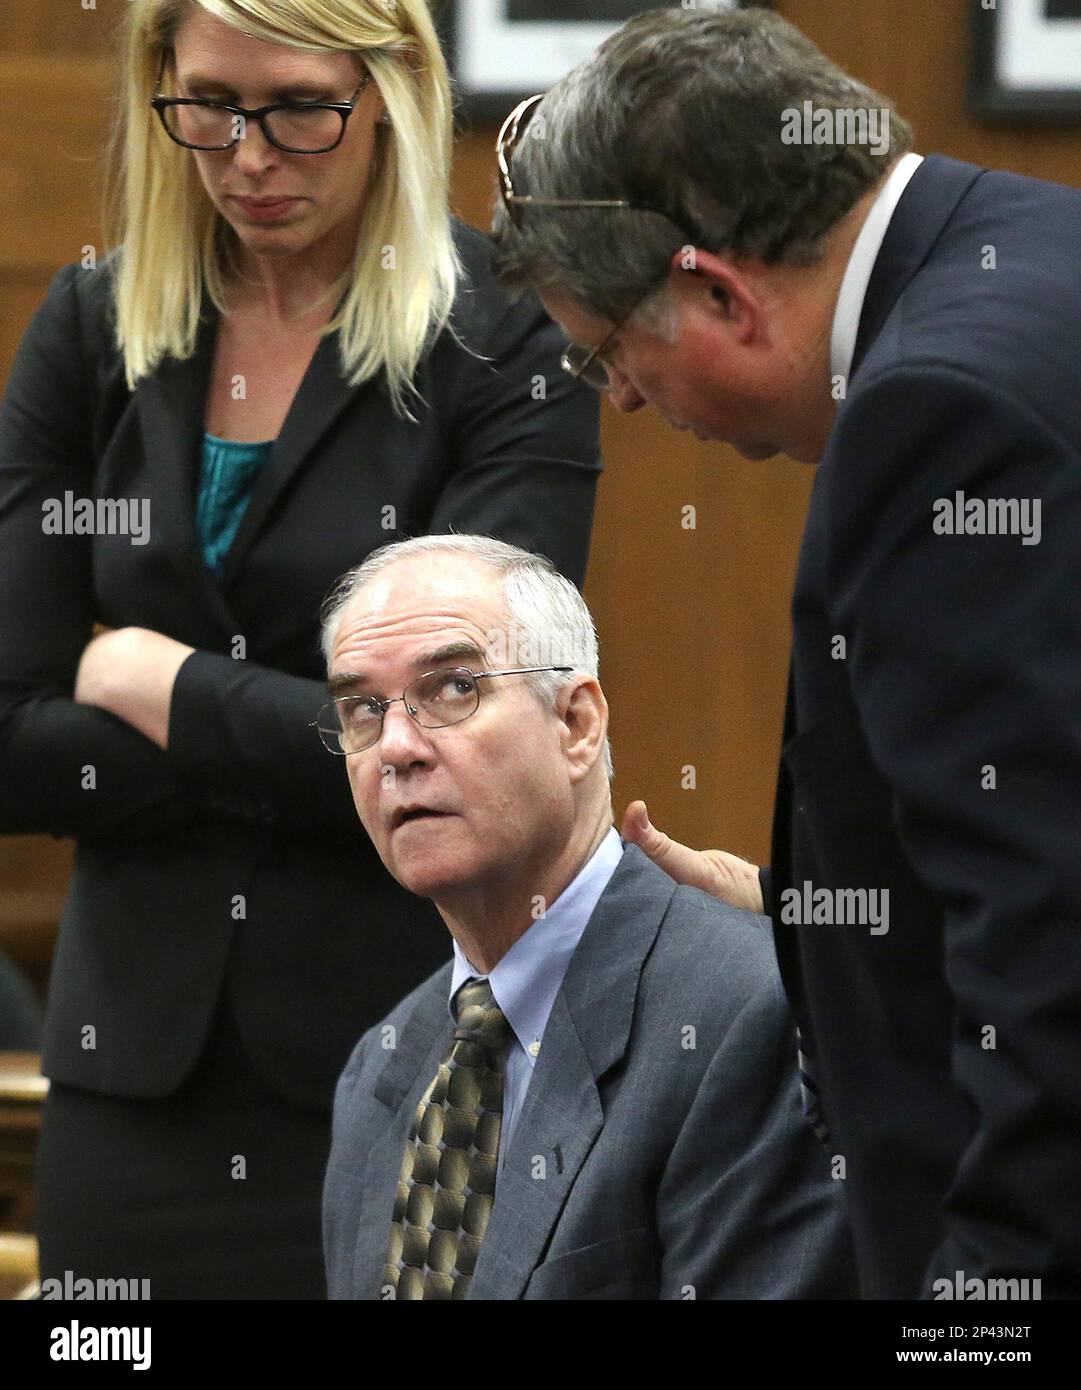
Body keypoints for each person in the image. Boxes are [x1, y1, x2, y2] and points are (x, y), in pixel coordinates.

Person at [0, 0, 599, 1298]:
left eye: (298, 110)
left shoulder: (505, 343)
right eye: (208, 105)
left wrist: (157, 681)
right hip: (128, 1069)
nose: (249, 156)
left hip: (402, 1057)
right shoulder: (96, 326)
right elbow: (10, 745)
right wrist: (320, 742)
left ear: (388, 92)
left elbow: (470, 752)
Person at [488, 6, 1081, 1299]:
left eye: (610, 356)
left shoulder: (941, 417)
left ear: (713, 289)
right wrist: (821, 908)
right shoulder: (1042, 248)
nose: (629, 400)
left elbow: (1048, 949)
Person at [321, 534, 854, 1300]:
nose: (395, 748)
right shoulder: (380, 1064)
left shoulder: (751, 1013)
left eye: (452, 689)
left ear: (575, 723)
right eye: (362, 710)